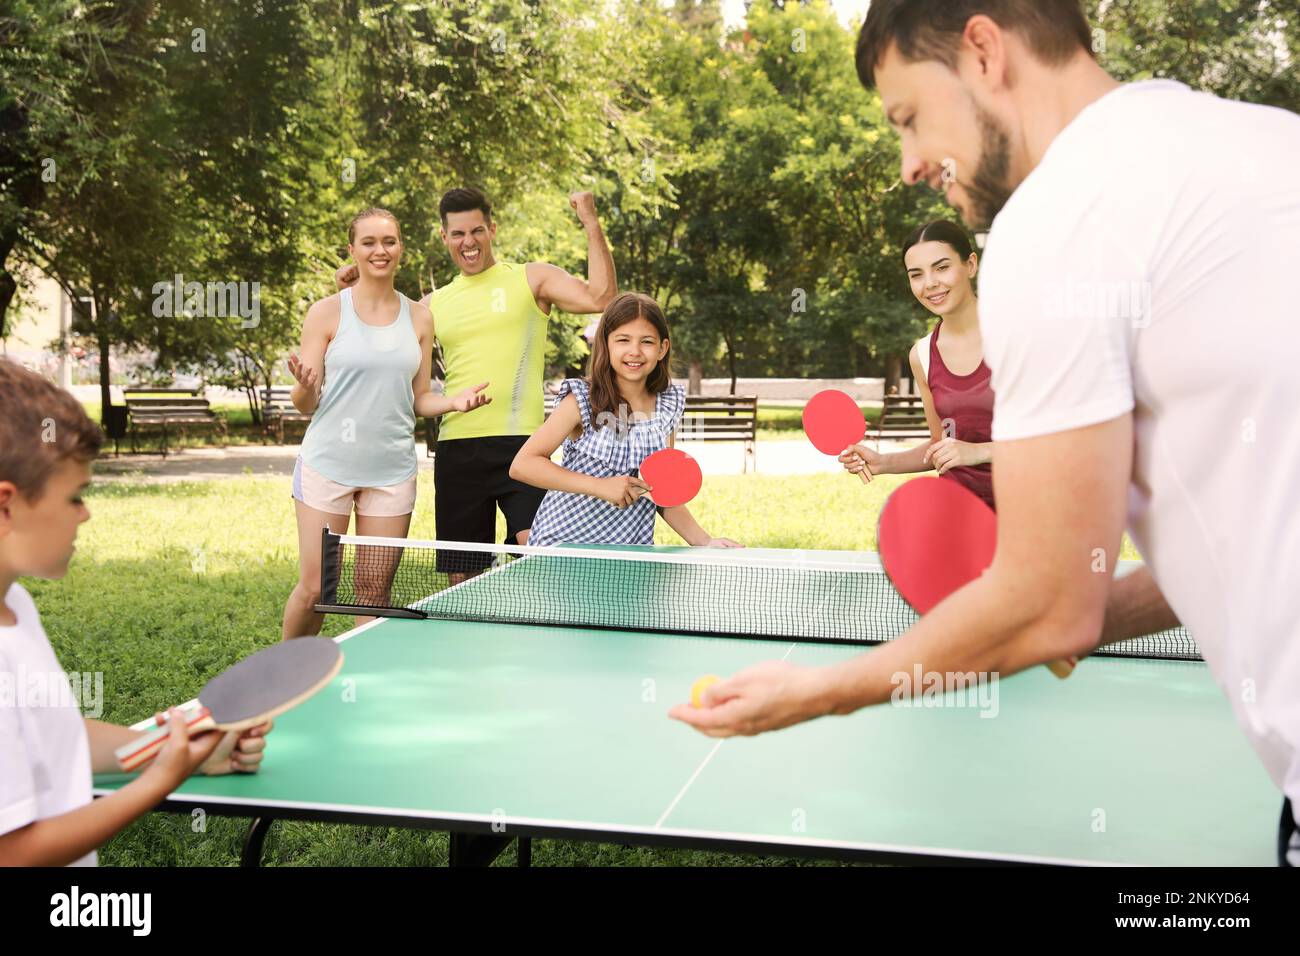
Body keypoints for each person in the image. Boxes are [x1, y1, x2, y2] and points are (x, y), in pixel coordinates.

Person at [670, 0, 1300, 867]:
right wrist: (1083, 612)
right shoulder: (1272, 144)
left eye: (908, 119)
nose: (908, 163)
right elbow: (1255, 533)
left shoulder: (1057, 226)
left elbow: (1044, 605)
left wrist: (814, 691)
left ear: (982, 50)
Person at [0, 360, 270, 866]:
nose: (85, 513)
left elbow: (54, 733)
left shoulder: (15, 603)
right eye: (75, 497)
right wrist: (157, 782)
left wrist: (180, 749)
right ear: (6, 507)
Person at [337, 188, 617, 574]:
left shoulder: (532, 279)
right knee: (462, 578)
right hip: (458, 451)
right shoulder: (430, 306)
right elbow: (373, 345)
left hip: (525, 449)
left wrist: (590, 220)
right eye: (457, 234)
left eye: (477, 231)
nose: (468, 242)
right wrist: (355, 286)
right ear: (444, 237)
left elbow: (602, 297)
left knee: (540, 559)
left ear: (492, 230)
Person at [284, 208, 490, 638]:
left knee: (374, 591)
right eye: (370, 242)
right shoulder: (326, 313)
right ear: (353, 251)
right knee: (316, 587)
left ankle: (363, 689)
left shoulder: (419, 317)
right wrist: (303, 385)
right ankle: (285, 685)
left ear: (401, 248)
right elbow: (306, 404)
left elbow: (419, 399)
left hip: (391, 473)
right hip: (328, 466)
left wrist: (455, 401)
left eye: (390, 241)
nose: (381, 251)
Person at [511, 292, 741, 549]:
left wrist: (704, 541)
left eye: (646, 341)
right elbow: (523, 465)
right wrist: (600, 486)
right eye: (623, 340)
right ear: (606, 344)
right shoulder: (582, 400)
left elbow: (660, 490)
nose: (635, 351)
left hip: (628, 550)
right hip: (564, 545)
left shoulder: (667, 407)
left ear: (662, 348)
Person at [840, 220, 996, 509]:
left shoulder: (1018, 337)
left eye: (942, 267)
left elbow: (1059, 440)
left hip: (1029, 520)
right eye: (916, 275)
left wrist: (981, 452)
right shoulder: (922, 354)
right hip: (958, 520)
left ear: (971, 265)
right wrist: (883, 462)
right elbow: (940, 446)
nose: (930, 284)